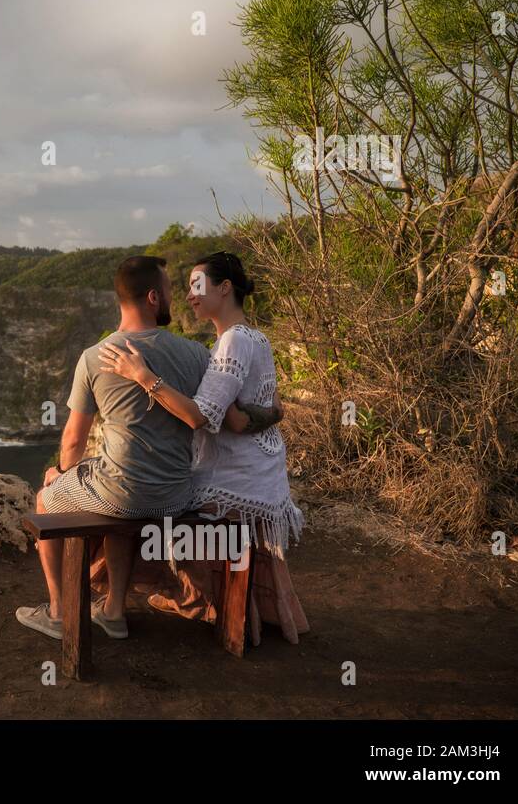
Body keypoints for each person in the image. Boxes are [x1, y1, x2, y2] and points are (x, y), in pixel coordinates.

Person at [99, 251, 308, 643]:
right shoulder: (254, 337)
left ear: (225, 288)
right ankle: (148, 595)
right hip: (260, 472)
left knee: (142, 496)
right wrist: (248, 417)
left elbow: (204, 417)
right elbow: (273, 409)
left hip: (235, 478)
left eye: (198, 286)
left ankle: (131, 597)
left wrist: (142, 376)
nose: (191, 296)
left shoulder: (231, 342)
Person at [16, 255, 210, 641]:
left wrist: (60, 473)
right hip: (175, 495)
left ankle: (58, 612)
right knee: (119, 497)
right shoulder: (197, 355)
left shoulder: (95, 357)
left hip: (124, 493)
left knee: (45, 499)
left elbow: (73, 440)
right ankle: (114, 612)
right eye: (171, 290)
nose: (175, 297)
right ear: (154, 297)